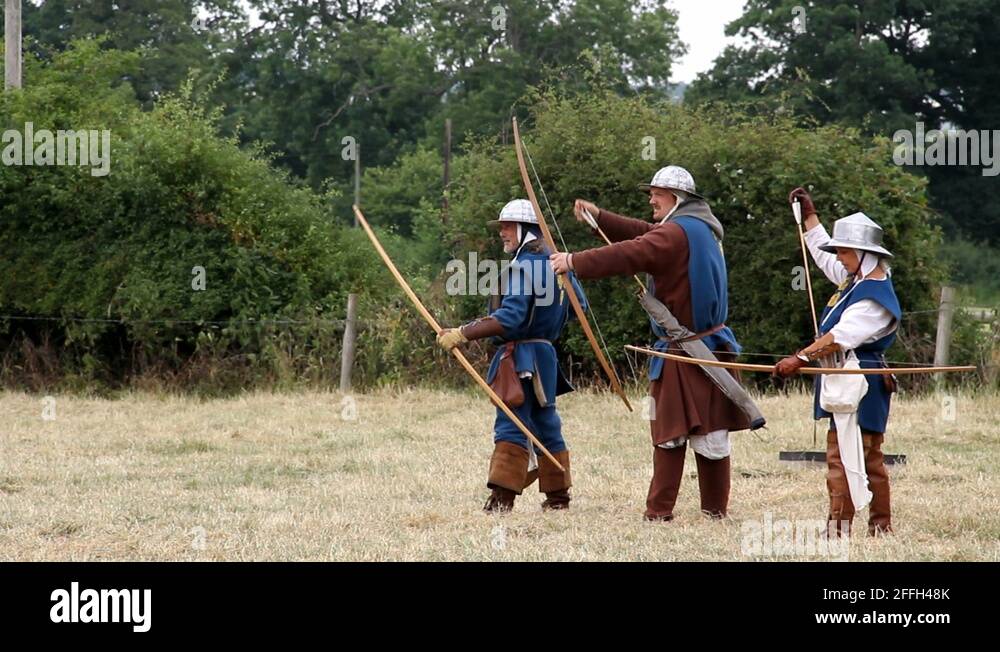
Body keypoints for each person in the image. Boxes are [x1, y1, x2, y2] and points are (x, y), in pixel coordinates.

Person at [550, 166, 752, 521]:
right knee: (711, 434)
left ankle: (660, 514)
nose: (651, 198)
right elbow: (645, 235)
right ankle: (714, 511)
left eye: (657, 193)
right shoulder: (696, 227)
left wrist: (573, 261)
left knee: (672, 434)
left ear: (676, 198)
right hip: (708, 348)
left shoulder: (677, 233)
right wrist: (600, 218)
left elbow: (633, 252)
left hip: (685, 351)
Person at [438, 199, 585, 512]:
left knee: (512, 422)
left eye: (507, 226)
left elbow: (510, 318)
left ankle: (502, 500)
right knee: (546, 424)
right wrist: (548, 318)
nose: (502, 232)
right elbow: (579, 308)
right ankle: (558, 498)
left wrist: (463, 333)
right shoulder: (558, 264)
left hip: (520, 358)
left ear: (525, 228)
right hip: (545, 356)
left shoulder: (522, 266)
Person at [774, 187, 900, 536]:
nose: (839, 257)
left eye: (845, 251)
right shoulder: (855, 280)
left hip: (862, 381)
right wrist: (810, 215)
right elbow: (821, 252)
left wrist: (799, 358)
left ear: (865, 255)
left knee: (853, 454)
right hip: (847, 377)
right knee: (852, 453)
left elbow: (840, 336)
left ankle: (849, 527)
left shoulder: (873, 297)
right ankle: (869, 525)